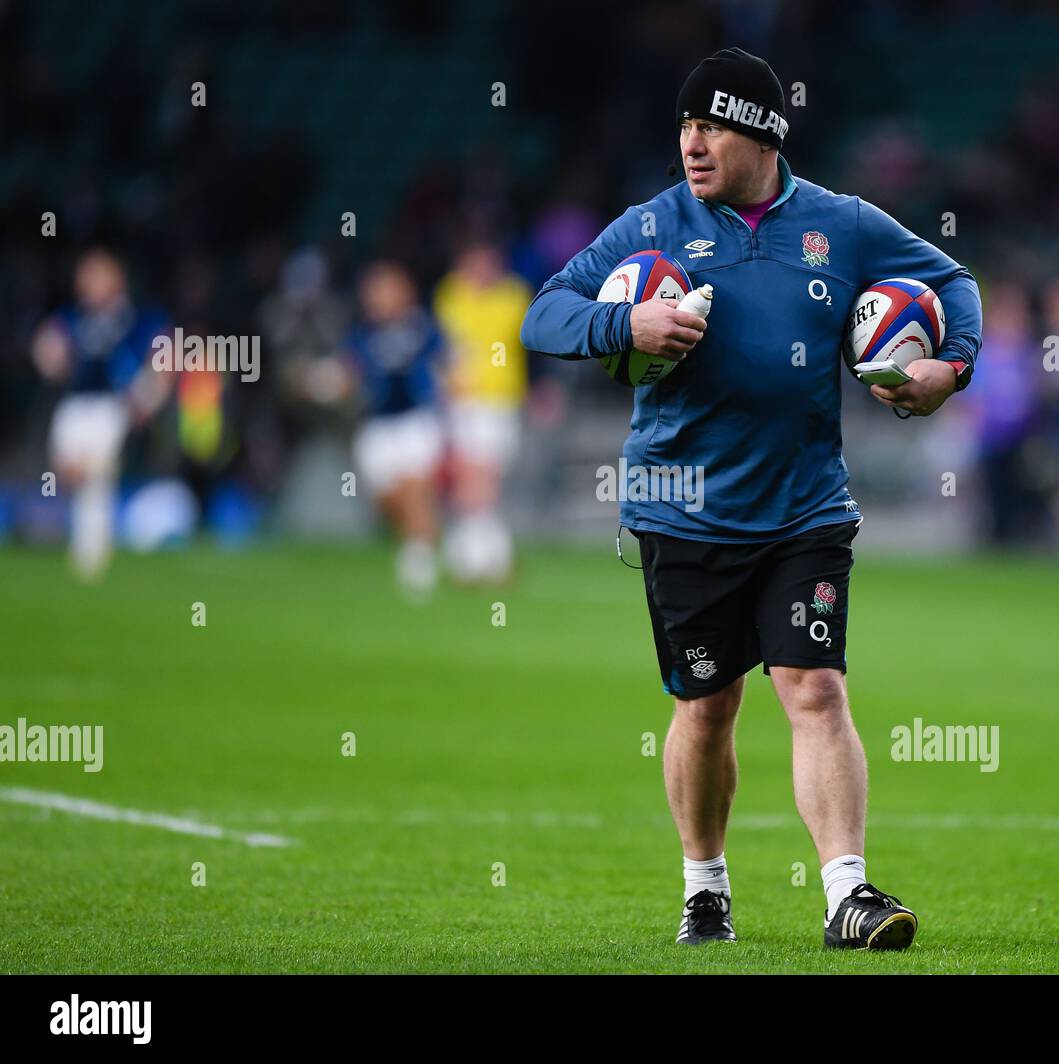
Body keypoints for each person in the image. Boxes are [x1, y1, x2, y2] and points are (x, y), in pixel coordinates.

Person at [521, 48, 982, 950]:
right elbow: (543, 312)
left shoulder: (843, 224)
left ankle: (847, 895)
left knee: (816, 689)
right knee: (707, 706)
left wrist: (950, 367)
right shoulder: (654, 223)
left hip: (807, 507)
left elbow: (954, 282)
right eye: (685, 127)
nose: (691, 145)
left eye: (712, 127)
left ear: (764, 135)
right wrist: (624, 323)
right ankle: (705, 888)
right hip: (682, 504)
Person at [31, 249, 171, 579]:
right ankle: (85, 545)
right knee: (70, 471)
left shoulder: (135, 318)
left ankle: (91, 553)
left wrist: (148, 397)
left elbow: (164, 351)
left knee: (96, 475)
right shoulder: (72, 318)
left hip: (112, 404)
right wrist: (51, 358)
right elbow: (47, 348)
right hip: (75, 403)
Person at [343, 261, 446, 599]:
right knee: (388, 498)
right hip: (377, 426)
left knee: (415, 488)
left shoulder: (422, 328)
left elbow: (447, 361)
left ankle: (419, 562)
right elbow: (350, 374)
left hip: (416, 420)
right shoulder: (361, 335)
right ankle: (425, 539)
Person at [433, 240, 532, 583]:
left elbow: (527, 344)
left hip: (501, 401)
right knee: (469, 478)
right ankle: (481, 555)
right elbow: (445, 346)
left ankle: (479, 554)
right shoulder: (451, 294)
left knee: (485, 478)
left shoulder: (514, 296)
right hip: (461, 401)